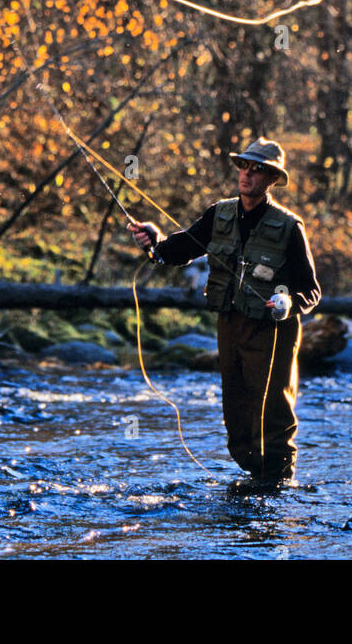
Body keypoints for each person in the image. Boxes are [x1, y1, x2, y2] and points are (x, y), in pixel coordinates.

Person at [127, 137, 321, 487]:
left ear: (272, 179)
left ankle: (278, 479)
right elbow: (176, 251)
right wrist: (154, 242)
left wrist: (288, 303)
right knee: (236, 404)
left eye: (257, 169)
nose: (247, 174)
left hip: (273, 329)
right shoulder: (219, 213)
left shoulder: (289, 227)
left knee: (272, 405)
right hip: (230, 324)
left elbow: (311, 290)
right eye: (244, 166)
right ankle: (254, 474)